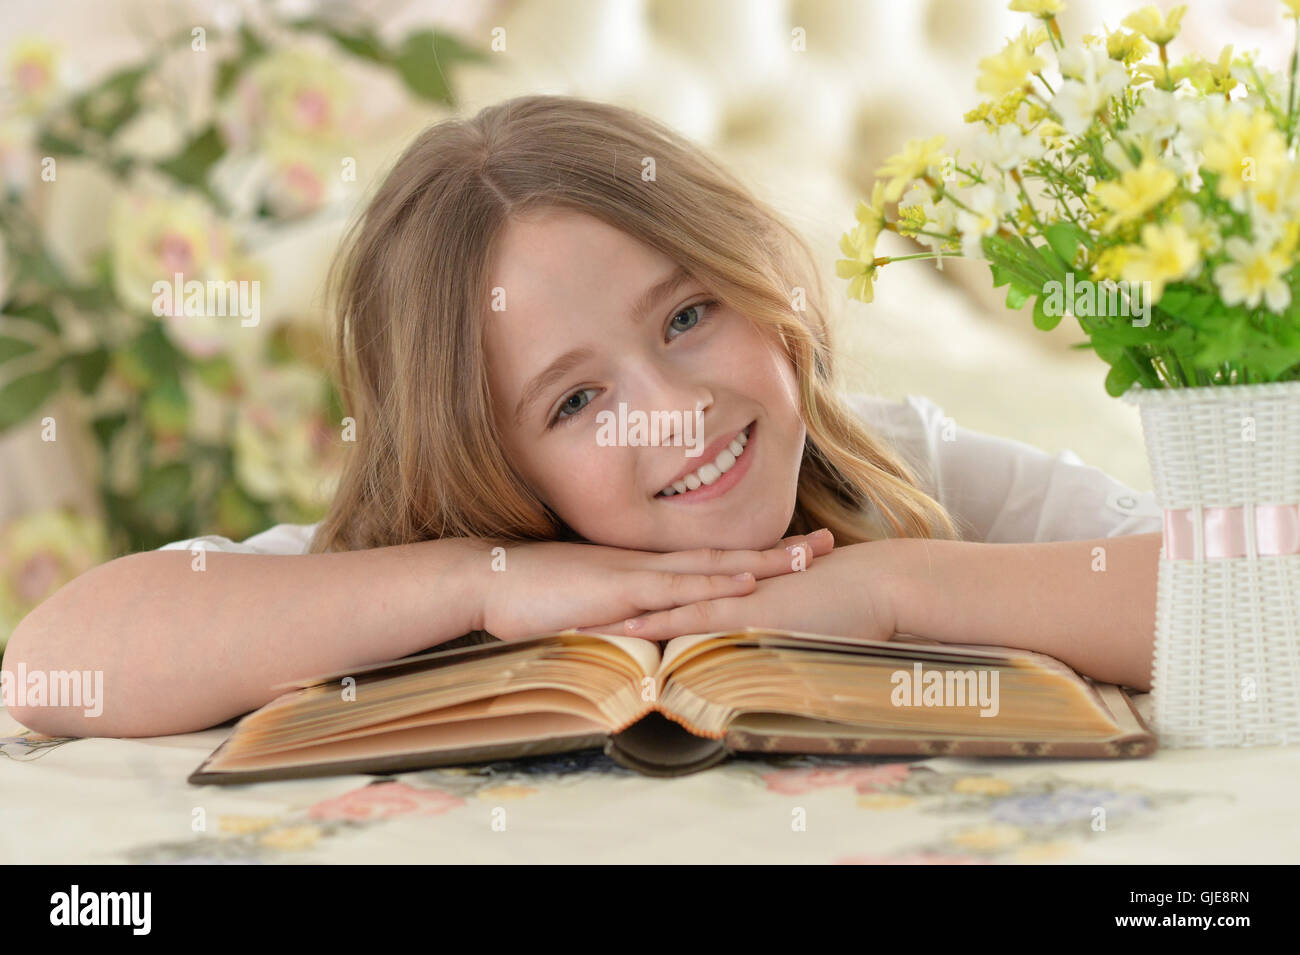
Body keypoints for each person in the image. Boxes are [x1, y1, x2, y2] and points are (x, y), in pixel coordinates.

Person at [2, 95, 1163, 740]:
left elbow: (1252, 587)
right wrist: (478, 583)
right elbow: (48, 668)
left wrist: (891, 590)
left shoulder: (889, 463)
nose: (672, 413)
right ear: (489, 459)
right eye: (573, 399)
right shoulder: (444, 567)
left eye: (687, 316)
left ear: (764, 287)